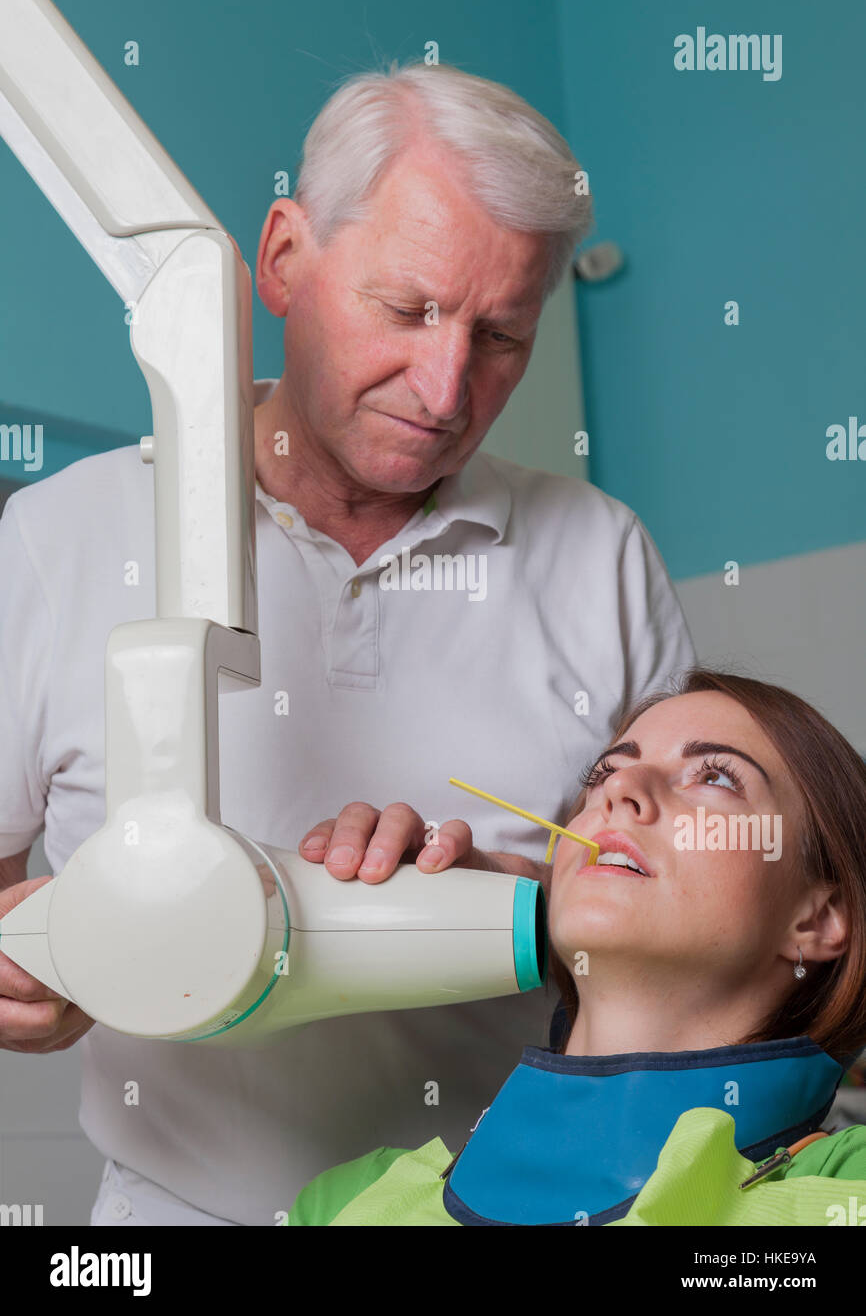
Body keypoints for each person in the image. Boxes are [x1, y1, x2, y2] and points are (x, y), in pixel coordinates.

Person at [0, 62, 695, 1226]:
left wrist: (521, 910)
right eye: (409, 308)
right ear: (280, 258)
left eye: (499, 336)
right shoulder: (57, 536)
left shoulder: (601, 555)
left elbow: (700, 930)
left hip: (518, 1211)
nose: (444, 387)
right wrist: (34, 970)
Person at [285, 668, 866, 1225]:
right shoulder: (342, 1204)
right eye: (603, 773)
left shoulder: (846, 1190)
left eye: (715, 777)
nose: (620, 788)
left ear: (818, 918)